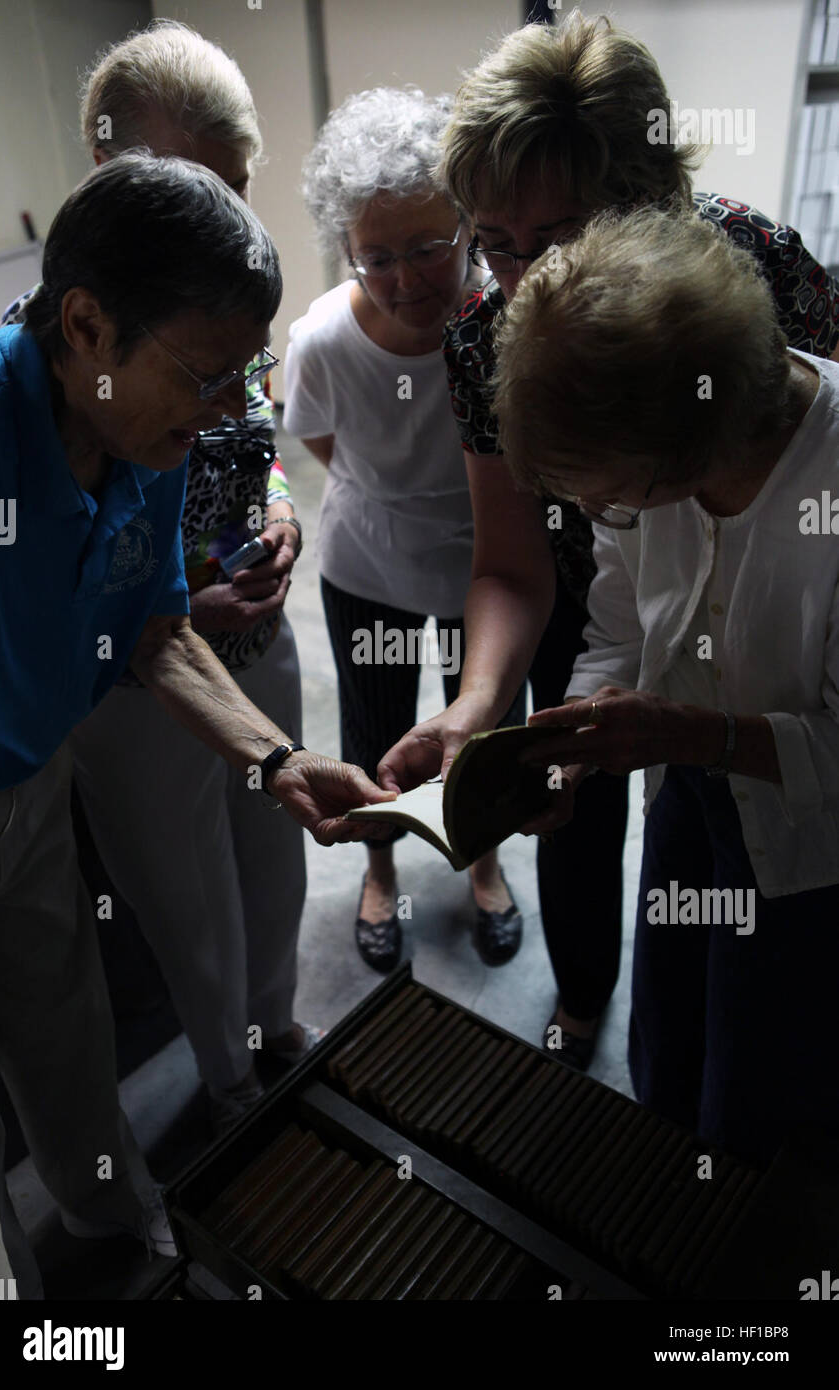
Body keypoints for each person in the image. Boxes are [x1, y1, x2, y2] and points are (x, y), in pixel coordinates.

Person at [379, 9, 839, 1068]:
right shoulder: (489, 337)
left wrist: (699, 730)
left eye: (554, 240)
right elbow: (515, 562)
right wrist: (478, 712)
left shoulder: (758, 280)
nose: (519, 283)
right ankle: (593, 1003)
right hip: (612, 614)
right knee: (585, 817)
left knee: (775, 1015)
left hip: (755, 650)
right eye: (490, 243)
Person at [0, 152, 392, 1272]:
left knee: (62, 1026)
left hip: (27, 776)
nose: (221, 417)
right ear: (87, 326)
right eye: (205, 376)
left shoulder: (140, 436)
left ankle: (112, 1224)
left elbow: (156, 629)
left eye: (237, 381)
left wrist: (276, 760)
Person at [0, 20, 315, 1134]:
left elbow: (253, 442)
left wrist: (275, 510)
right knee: (177, 908)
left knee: (261, 870)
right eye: (195, 187)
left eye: (237, 187)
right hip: (94, 722)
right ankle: (219, 1090)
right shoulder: (32, 397)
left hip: (210, 662)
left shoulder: (194, 347)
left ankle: (266, 1041)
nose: (226, 221)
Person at [491, 203, 839, 1165]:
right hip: (689, 794)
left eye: (611, 495)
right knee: (674, 1031)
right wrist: (578, 737)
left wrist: (689, 735)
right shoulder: (650, 461)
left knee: (772, 1084)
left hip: (820, 852)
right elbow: (615, 624)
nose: (602, 513)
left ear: (692, 451)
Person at [284, 87, 526, 973]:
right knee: (374, 725)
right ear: (347, 251)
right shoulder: (321, 341)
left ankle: (486, 864)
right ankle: (380, 874)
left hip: (489, 562)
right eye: (375, 258)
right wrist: (393, 489)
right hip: (371, 559)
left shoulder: (505, 324)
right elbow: (319, 441)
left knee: (489, 727)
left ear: (467, 222)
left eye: (430, 247)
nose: (406, 279)